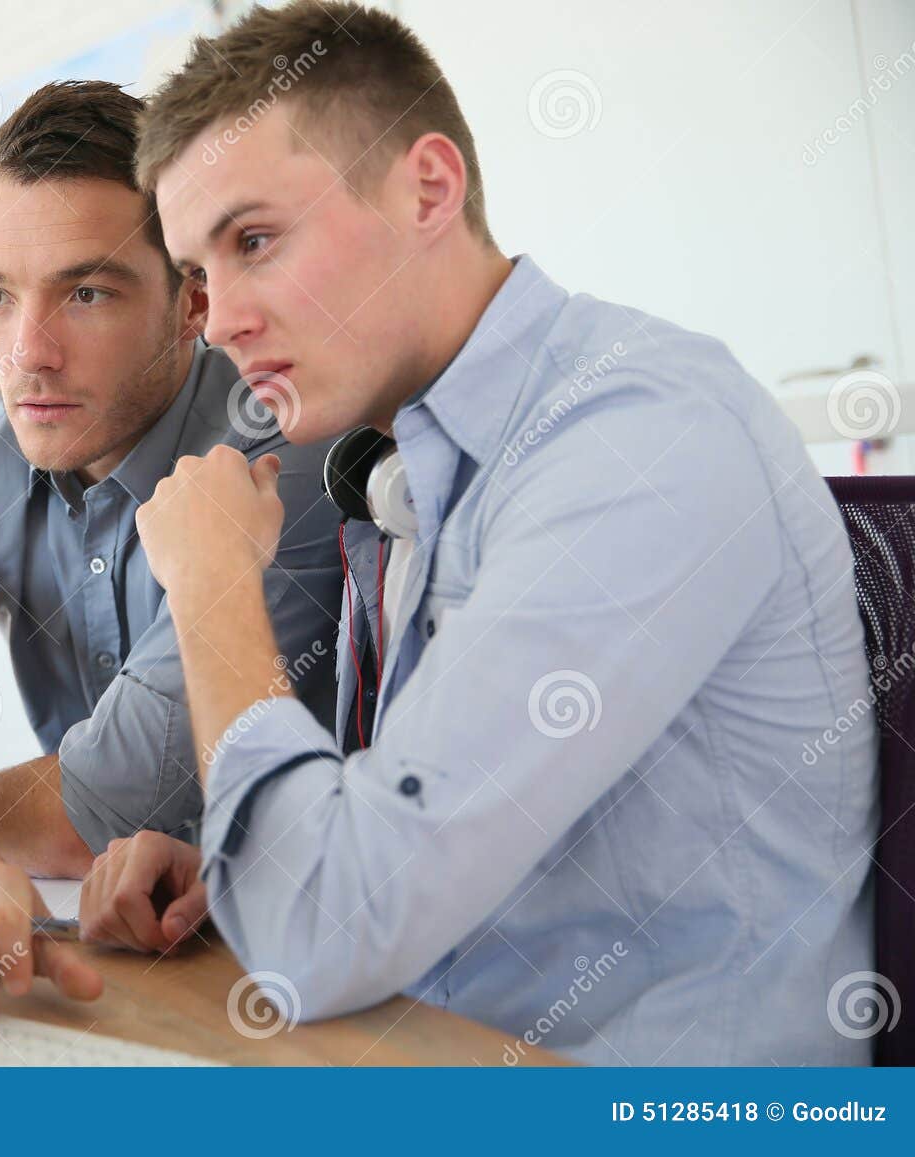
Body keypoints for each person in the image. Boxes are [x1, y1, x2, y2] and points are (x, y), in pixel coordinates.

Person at [107, 1, 876, 1065]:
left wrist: (209, 585)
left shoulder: (638, 437)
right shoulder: (408, 460)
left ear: (428, 188)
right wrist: (250, 860)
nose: (223, 319)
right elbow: (407, 841)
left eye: (256, 241)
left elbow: (324, 930)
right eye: (200, 274)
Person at [0, 80, 344, 1040]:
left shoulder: (283, 439)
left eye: (86, 292)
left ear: (193, 300)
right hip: (125, 943)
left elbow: (124, 789)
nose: (28, 354)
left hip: (315, 958)